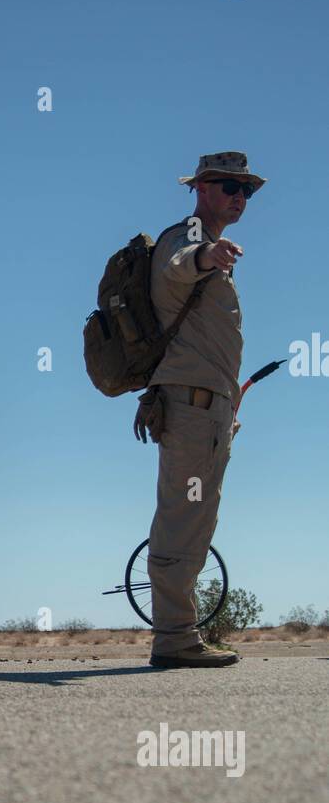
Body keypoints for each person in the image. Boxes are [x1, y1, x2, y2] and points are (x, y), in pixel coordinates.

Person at [138, 152, 266, 668]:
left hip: (207, 406)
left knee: (196, 518)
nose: (239, 196)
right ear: (201, 189)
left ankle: (181, 632)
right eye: (229, 186)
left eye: (246, 190)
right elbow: (177, 265)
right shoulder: (188, 238)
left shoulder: (204, 242)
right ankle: (173, 637)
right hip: (191, 407)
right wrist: (207, 258)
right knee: (182, 518)